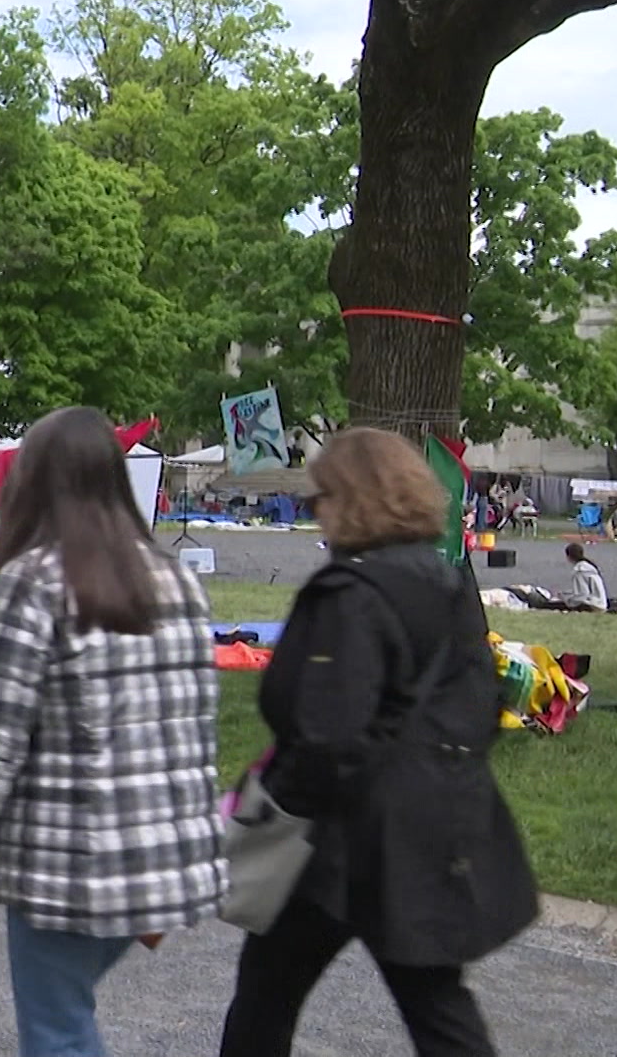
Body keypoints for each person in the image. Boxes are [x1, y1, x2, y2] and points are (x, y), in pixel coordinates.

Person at [219, 428, 536, 1057]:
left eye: (320, 500)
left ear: (352, 500)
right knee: (436, 1003)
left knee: (267, 995)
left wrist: (267, 809)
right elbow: (482, 707)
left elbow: (328, 733)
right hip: (430, 826)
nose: (318, 514)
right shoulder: (450, 586)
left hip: (343, 838)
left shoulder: (352, 595)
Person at [0, 407, 222, 1057]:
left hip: (71, 866)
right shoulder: (177, 581)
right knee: (67, 1021)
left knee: (58, 1034)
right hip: (161, 861)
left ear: (32, 484)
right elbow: (195, 725)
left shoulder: (33, 582)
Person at [565, 543, 608, 612]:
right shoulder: (590, 567)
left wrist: (567, 599)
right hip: (601, 603)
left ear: (568, 556)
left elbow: (582, 595)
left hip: (593, 605)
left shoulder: (579, 571)